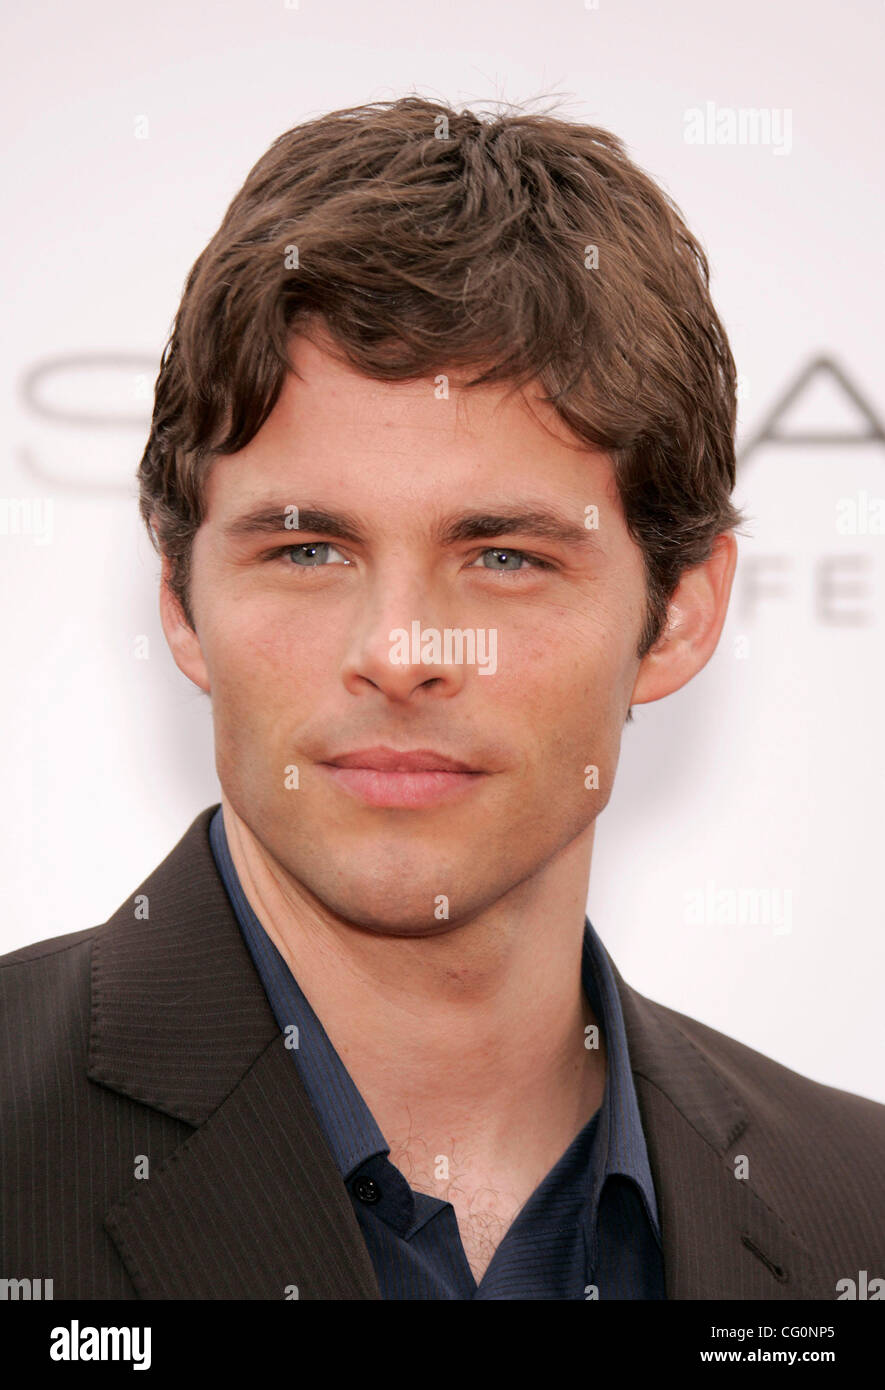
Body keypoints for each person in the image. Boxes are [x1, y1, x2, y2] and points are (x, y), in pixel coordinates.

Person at [2, 97, 882, 1302]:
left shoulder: (859, 1211)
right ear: (180, 598)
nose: (402, 650)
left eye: (506, 554)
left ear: (677, 615)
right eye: (309, 549)